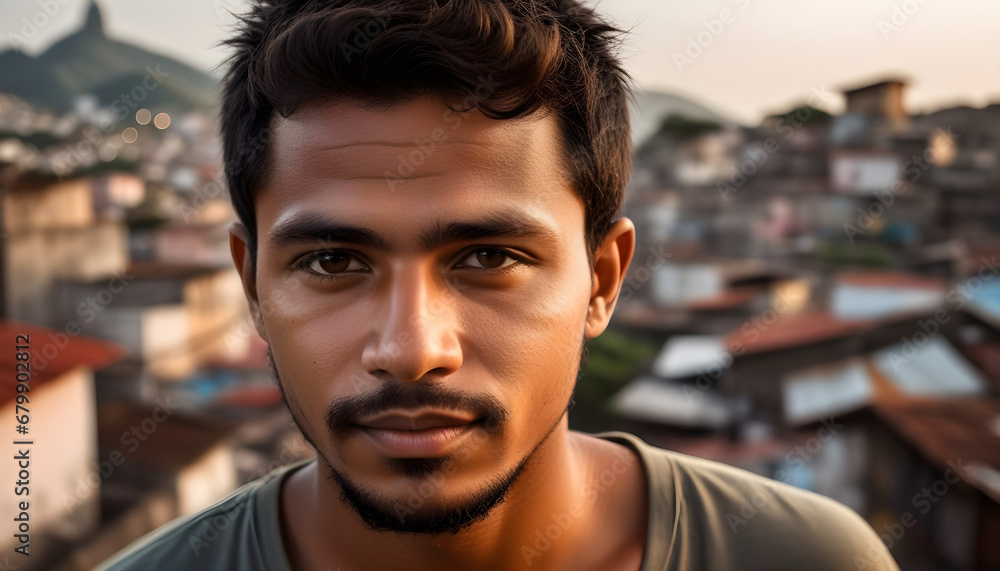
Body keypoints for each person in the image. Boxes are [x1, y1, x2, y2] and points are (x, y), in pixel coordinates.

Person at [98, 1, 899, 569]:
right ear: (252, 287)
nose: (411, 350)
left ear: (602, 280)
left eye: (488, 257)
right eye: (334, 262)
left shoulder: (803, 557)